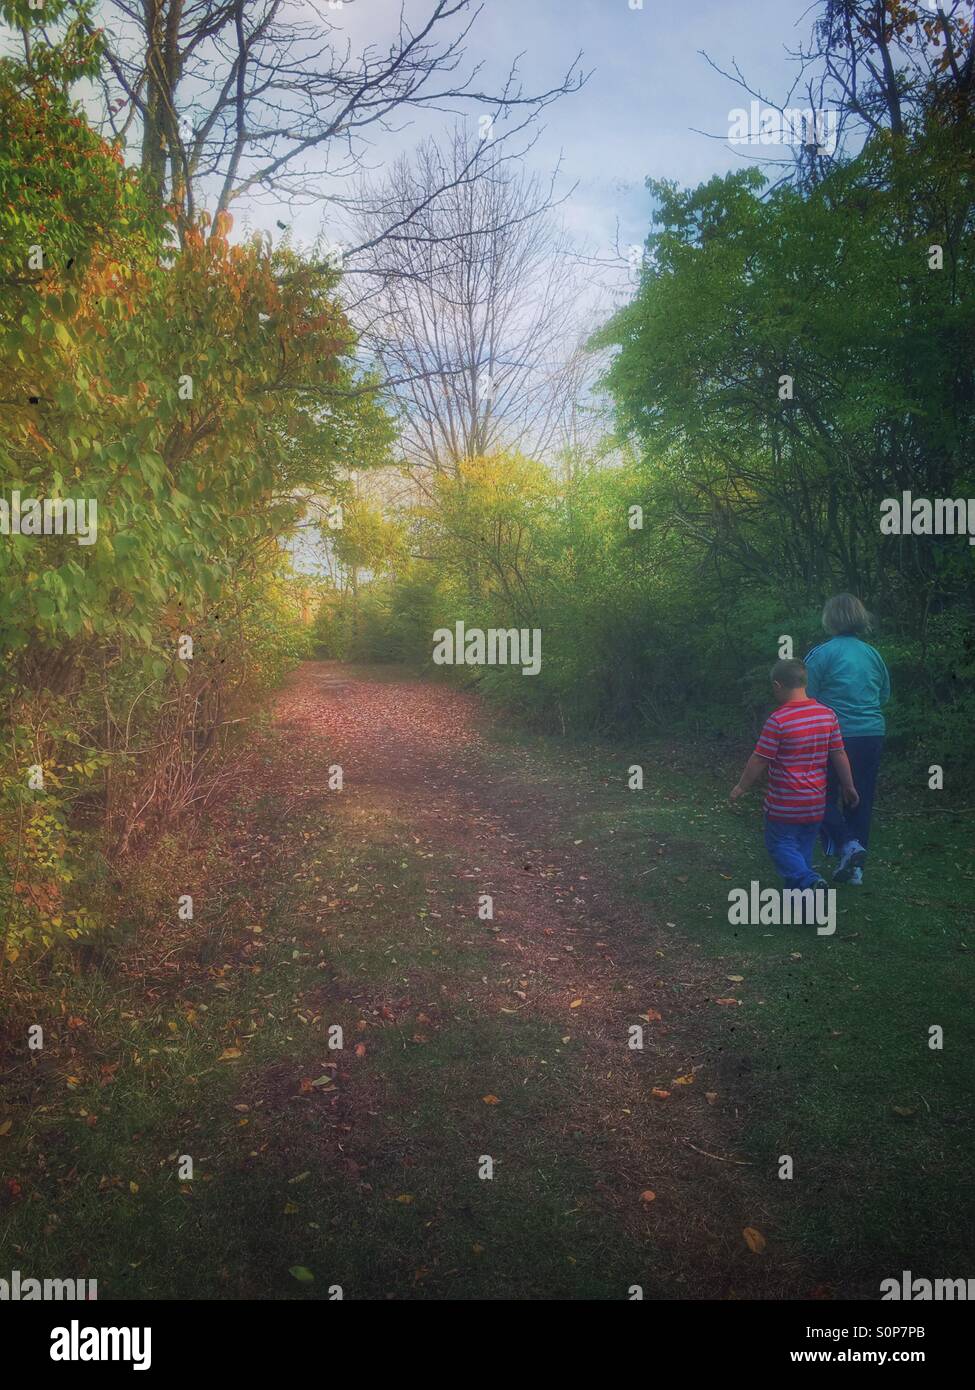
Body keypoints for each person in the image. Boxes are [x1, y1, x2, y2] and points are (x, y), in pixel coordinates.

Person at [730, 658, 859, 894]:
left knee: (779, 845)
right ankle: (804, 902)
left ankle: (808, 879)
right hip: (815, 804)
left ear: (778, 685)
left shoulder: (778, 720)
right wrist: (848, 786)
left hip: (784, 805)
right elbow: (839, 753)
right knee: (802, 850)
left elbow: (760, 758)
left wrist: (741, 786)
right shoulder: (827, 715)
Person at [804, 594, 890, 885]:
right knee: (860, 798)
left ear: (830, 619)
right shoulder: (872, 654)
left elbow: (804, 697)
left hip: (832, 736)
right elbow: (883, 695)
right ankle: (854, 868)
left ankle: (847, 844)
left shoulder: (822, 653)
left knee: (817, 796)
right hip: (871, 734)